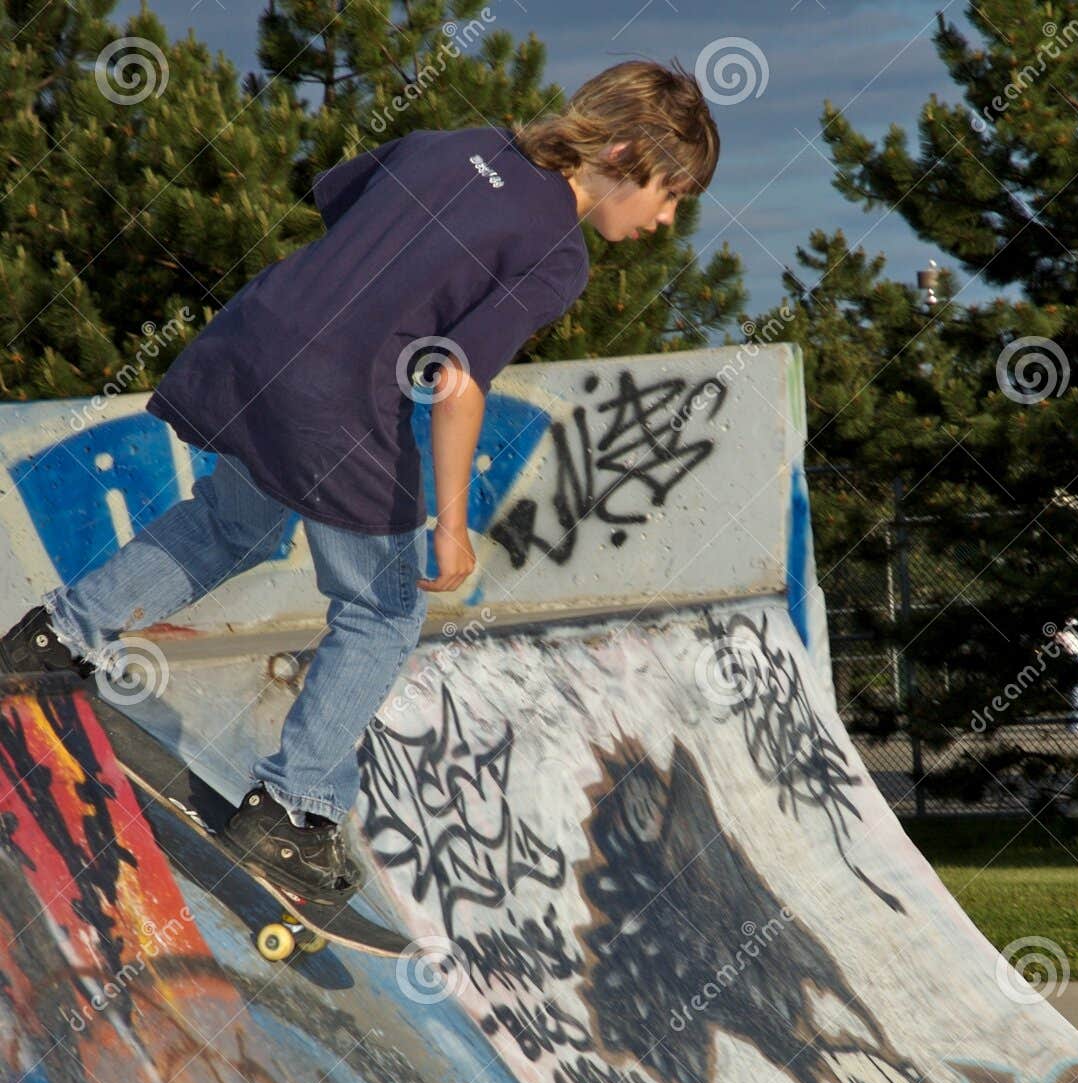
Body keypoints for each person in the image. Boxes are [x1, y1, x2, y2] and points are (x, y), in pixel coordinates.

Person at [1, 60, 719, 901]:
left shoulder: (459, 142)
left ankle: (53, 641)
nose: (667, 220)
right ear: (626, 152)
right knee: (382, 609)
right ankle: (292, 805)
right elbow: (455, 379)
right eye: (670, 193)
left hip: (257, 340)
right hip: (339, 399)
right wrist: (450, 525)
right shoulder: (558, 253)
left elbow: (338, 198)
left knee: (227, 524)